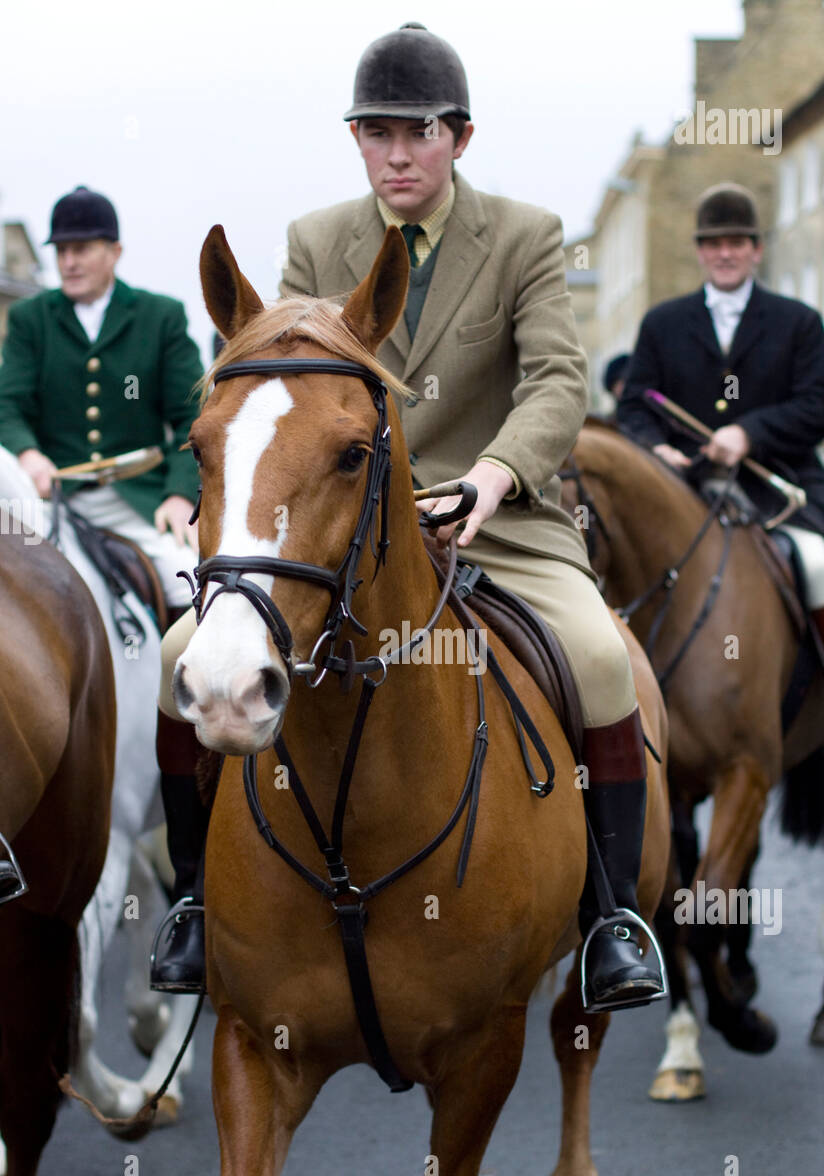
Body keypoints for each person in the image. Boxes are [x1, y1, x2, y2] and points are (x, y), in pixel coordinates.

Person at [154, 21, 666, 1009]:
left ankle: (609, 920)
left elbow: (556, 380)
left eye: (418, 131)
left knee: (600, 660)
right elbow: (291, 397)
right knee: (186, 645)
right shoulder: (314, 239)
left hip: (497, 521)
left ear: (459, 138)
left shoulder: (524, 234)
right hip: (345, 534)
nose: (396, 152)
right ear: (355, 139)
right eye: (375, 131)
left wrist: (493, 476)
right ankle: (192, 902)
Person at [0, 184, 207, 979]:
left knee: (193, 596)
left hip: (135, 506)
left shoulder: (156, 316)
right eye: (62, 249)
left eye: (84, 247)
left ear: (114, 252)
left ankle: (205, 766)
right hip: (45, 501)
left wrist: (184, 495)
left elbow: (192, 409)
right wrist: (24, 452)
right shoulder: (31, 320)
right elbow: (10, 403)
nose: (71, 259)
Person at [617, 181, 824, 760]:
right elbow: (636, 407)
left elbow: (820, 405)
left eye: (737, 242)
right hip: (687, 487)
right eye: (713, 243)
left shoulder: (797, 321)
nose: (725, 253)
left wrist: (748, 432)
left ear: (756, 249)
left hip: (779, 486)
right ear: (701, 251)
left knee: (813, 563)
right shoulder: (663, 323)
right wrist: (657, 451)